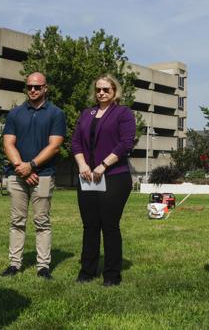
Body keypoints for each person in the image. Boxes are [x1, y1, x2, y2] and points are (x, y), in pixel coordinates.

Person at [0, 72, 66, 279]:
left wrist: (32, 165)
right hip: (17, 175)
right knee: (17, 221)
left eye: (37, 87)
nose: (33, 90)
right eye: (29, 87)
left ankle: (43, 266)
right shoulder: (15, 114)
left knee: (42, 222)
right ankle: (14, 264)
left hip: (43, 175)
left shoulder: (56, 114)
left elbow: (55, 146)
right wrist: (21, 167)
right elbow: (8, 143)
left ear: (46, 88)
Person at [71, 74, 136, 286]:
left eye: (106, 89)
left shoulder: (123, 113)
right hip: (87, 176)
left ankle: (112, 275)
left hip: (114, 176)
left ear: (114, 91)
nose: (101, 93)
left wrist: (104, 165)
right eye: (98, 89)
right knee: (90, 226)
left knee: (109, 225)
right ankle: (87, 271)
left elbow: (126, 143)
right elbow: (76, 142)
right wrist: (82, 165)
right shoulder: (86, 113)